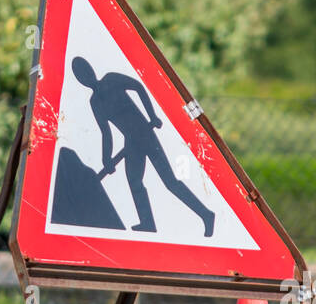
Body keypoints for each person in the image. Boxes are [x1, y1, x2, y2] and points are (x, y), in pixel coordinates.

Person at [71, 56, 214, 237]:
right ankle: (147, 223)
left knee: (170, 182)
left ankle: (206, 215)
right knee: (134, 182)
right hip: (131, 143)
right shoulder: (95, 102)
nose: (85, 77)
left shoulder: (111, 79)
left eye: (85, 71)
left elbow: (138, 87)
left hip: (146, 135)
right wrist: (106, 159)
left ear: (91, 69)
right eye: (80, 75)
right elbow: (106, 133)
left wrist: (152, 116)